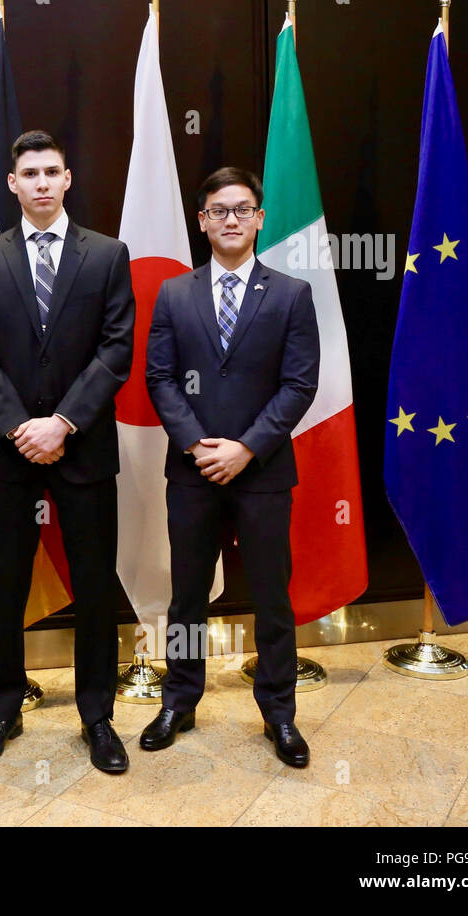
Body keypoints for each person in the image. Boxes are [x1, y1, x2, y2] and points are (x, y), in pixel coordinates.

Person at [0, 131, 135, 773]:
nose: (39, 182)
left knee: (94, 585)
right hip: (9, 453)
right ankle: (2, 708)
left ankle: (98, 716)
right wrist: (20, 428)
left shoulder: (108, 255)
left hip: (83, 449)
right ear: (12, 183)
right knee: (4, 584)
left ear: (68, 179)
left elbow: (116, 350)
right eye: (28, 172)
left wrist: (61, 422)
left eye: (50, 171)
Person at [142, 166, 319, 767]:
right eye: (219, 210)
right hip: (192, 473)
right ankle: (180, 700)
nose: (231, 219)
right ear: (202, 221)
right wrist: (197, 445)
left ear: (260, 217)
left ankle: (280, 713)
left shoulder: (292, 294)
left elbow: (299, 386)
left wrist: (245, 448)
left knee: (271, 596)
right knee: (188, 596)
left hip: (264, 472)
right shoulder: (174, 293)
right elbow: (159, 378)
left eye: (242, 209)